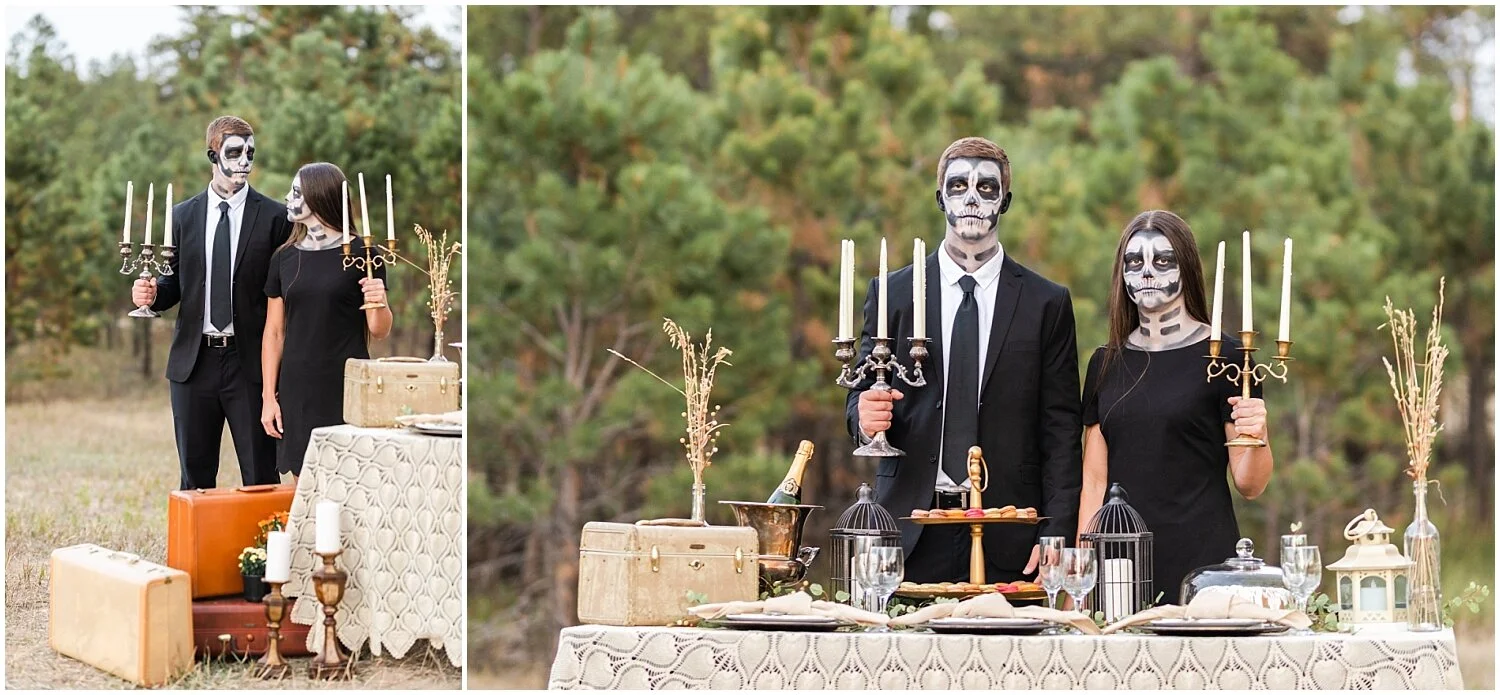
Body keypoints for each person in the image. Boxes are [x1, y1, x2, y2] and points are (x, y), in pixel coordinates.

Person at [846, 136, 1083, 584]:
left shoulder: (1044, 303)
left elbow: (1061, 429)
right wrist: (862, 414)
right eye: (958, 186)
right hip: (909, 528)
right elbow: (860, 394)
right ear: (940, 199)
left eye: (987, 189)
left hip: (1010, 531)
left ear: (1005, 202)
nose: (972, 199)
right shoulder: (893, 294)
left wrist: (1056, 532)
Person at [1077, 209, 1274, 604]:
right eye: (1135, 262)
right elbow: (1095, 482)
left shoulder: (1229, 357)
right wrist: (1081, 578)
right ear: (1122, 274)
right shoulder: (1105, 363)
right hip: (1120, 568)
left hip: (1204, 573)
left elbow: (1250, 484)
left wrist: (1259, 434)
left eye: (1162, 260)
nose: (1147, 272)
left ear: (1185, 267)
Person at [132, 115, 290, 489]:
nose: (244, 161)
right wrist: (152, 295)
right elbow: (174, 284)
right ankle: (198, 549)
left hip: (250, 364)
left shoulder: (276, 218)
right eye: (235, 152)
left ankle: (263, 549)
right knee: (195, 476)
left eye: (251, 152)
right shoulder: (182, 216)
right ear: (212, 155)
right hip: (193, 363)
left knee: (260, 475)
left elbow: (282, 296)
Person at [260, 162, 392, 478]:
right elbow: (274, 332)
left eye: (295, 192)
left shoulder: (363, 253)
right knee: (302, 487)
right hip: (297, 387)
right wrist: (268, 397)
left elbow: (379, 329)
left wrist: (380, 301)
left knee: (350, 480)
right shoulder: (284, 257)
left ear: (318, 197)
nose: (287, 198)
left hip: (346, 383)